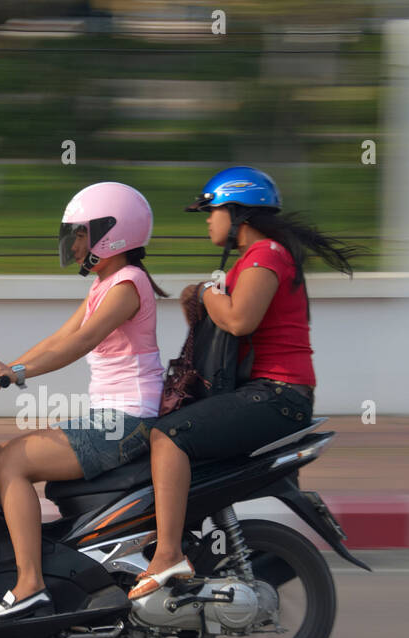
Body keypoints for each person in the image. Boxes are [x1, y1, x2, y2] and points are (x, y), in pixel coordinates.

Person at [128, 166, 357, 600]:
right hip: (262, 393)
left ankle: (169, 555)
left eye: (211, 211)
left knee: (167, 437)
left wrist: (208, 292)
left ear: (239, 214)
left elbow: (238, 319)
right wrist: (203, 298)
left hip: (277, 396)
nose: (207, 221)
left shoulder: (266, 254)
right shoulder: (253, 260)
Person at [0, 181, 168, 621]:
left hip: (127, 419)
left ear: (112, 233)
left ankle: (30, 586)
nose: (75, 243)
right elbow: (59, 337)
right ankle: (18, 566)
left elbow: (81, 342)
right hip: (110, 415)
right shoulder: (104, 285)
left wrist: (18, 372)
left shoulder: (128, 284)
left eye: (82, 233)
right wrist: (3, 370)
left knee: (10, 462)